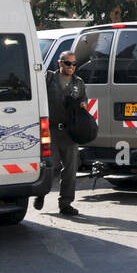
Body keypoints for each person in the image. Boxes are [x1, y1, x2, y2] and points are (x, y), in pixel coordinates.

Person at [46, 50, 88, 217]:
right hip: (50, 130)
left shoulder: (79, 83)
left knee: (70, 169)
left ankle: (65, 204)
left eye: (74, 64)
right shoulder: (49, 79)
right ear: (60, 63)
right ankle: (41, 194)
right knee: (50, 166)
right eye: (67, 63)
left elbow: (84, 99)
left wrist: (83, 104)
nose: (71, 67)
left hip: (70, 132)